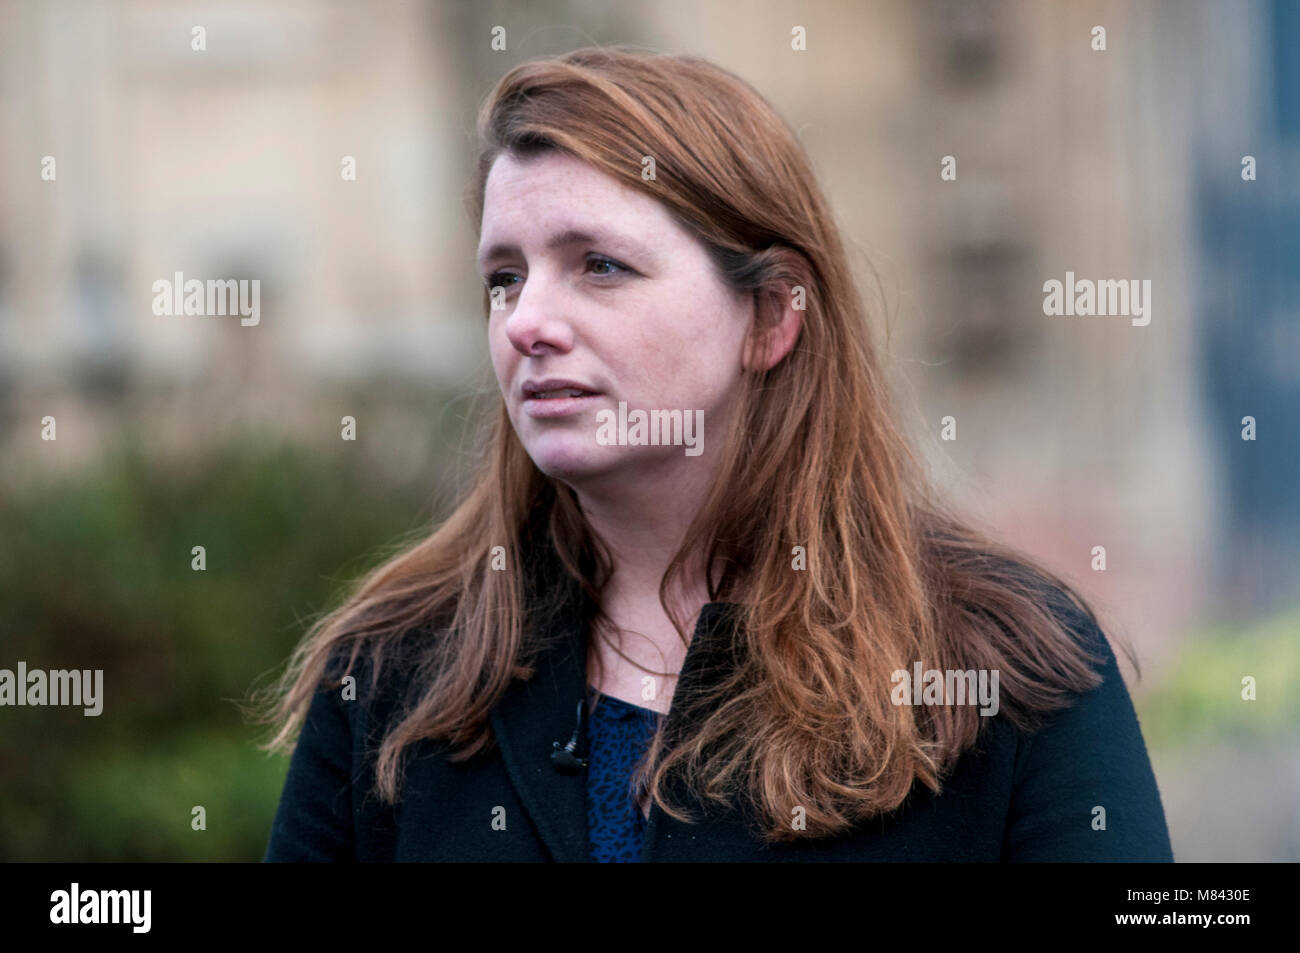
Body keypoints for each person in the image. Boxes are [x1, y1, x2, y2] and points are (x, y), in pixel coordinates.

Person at [256, 45, 1174, 862]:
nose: (526, 322)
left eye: (599, 265)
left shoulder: (1003, 663)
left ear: (772, 316)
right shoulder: (396, 670)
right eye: (504, 277)